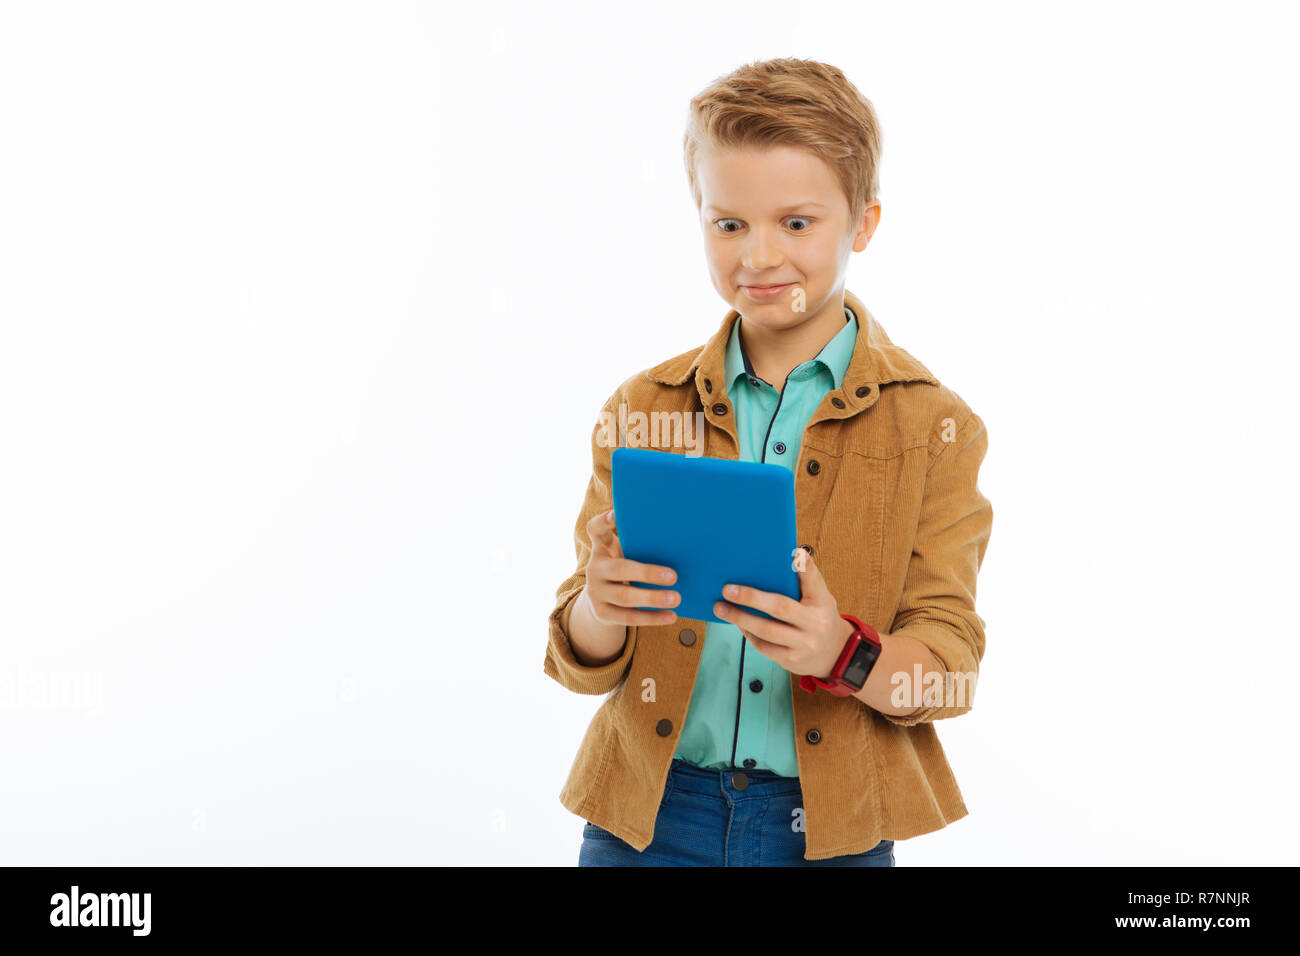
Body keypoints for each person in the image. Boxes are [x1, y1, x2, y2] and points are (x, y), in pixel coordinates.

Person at [544, 57, 993, 866]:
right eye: (728, 224)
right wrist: (602, 608)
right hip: (646, 814)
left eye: (796, 222)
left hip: (831, 826)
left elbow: (949, 674)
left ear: (863, 223)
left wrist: (839, 653)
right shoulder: (645, 407)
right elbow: (578, 655)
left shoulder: (934, 425)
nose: (758, 257)